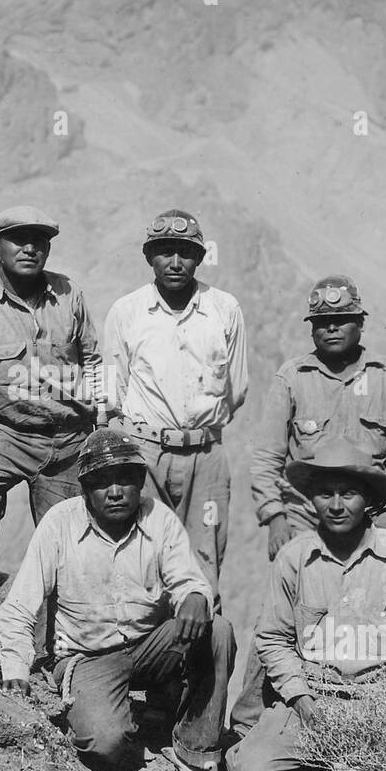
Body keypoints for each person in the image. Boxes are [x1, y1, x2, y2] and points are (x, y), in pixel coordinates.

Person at [0, 429, 236, 771]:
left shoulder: (160, 519)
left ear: (140, 482)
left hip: (150, 646)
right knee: (105, 746)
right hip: (87, 657)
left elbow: (188, 579)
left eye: (125, 479)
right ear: (84, 489)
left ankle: (196, 751)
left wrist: (195, 594)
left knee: (217, 629)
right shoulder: (59, 524)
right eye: (101, 482)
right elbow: (20, 605)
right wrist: (14, 669)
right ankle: (128, 726)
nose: (115, 491)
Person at [233, 275, 386, 735]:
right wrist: (274, 517)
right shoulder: (293, 378)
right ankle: (249, 721)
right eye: (322, 322)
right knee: (282, 613)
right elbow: (266, 455)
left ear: (360, 325)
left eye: (342, 320)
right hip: (306, 512)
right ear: (312, 329)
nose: (332, 329)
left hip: (370, 515)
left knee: (375, 614)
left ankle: (379, 725)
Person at [227, 439, 386, 771]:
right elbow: (273, 639)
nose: (337, 506)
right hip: (315, 699)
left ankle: (341, 768)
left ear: (369, 498)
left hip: (381, 701)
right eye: (325, 494)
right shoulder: (294, 558)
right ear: (311, 498)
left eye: (349, 493)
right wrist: (302, 699)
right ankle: (323, 766)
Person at [0, 206, 102, 637]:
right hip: (7, 437)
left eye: (39, 240)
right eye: (18, 239)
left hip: (68, 440)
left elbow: (95, 362)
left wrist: (103, 425)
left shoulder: (70, 295)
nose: (29, 248)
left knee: (71, 545)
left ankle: (58, 645)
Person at [103, 209, 247, 606]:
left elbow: (237, 388)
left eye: (185, 252)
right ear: (150, 257)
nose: (175, 262)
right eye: (164, 251)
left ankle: (197, 662)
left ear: (199, 257)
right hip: (144, 453)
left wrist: (200, 430)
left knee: (204, 565)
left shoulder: (224, 309)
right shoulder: (126, 311)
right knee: (143, 561)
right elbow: (110, 389)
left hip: (207, 458)